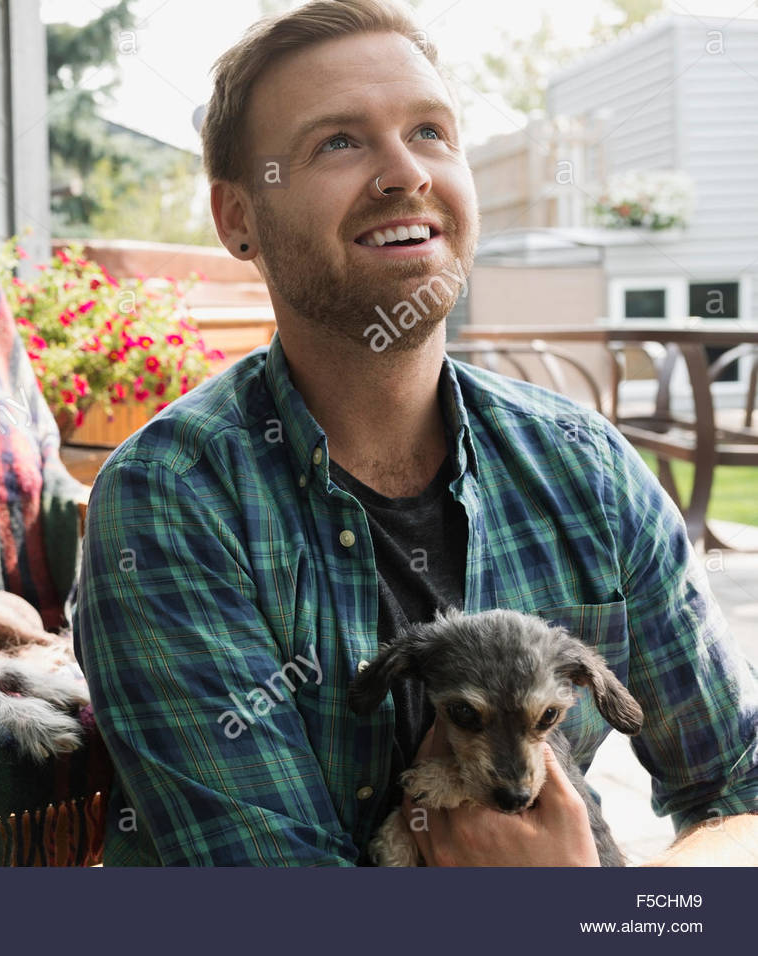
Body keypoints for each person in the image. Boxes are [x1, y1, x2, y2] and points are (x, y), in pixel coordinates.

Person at [73, 0, 758, 866]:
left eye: (431, 132)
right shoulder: (173, 500)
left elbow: (745, 787)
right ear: (236, 217)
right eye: (339, 142)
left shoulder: (586, 471)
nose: (406, 173)